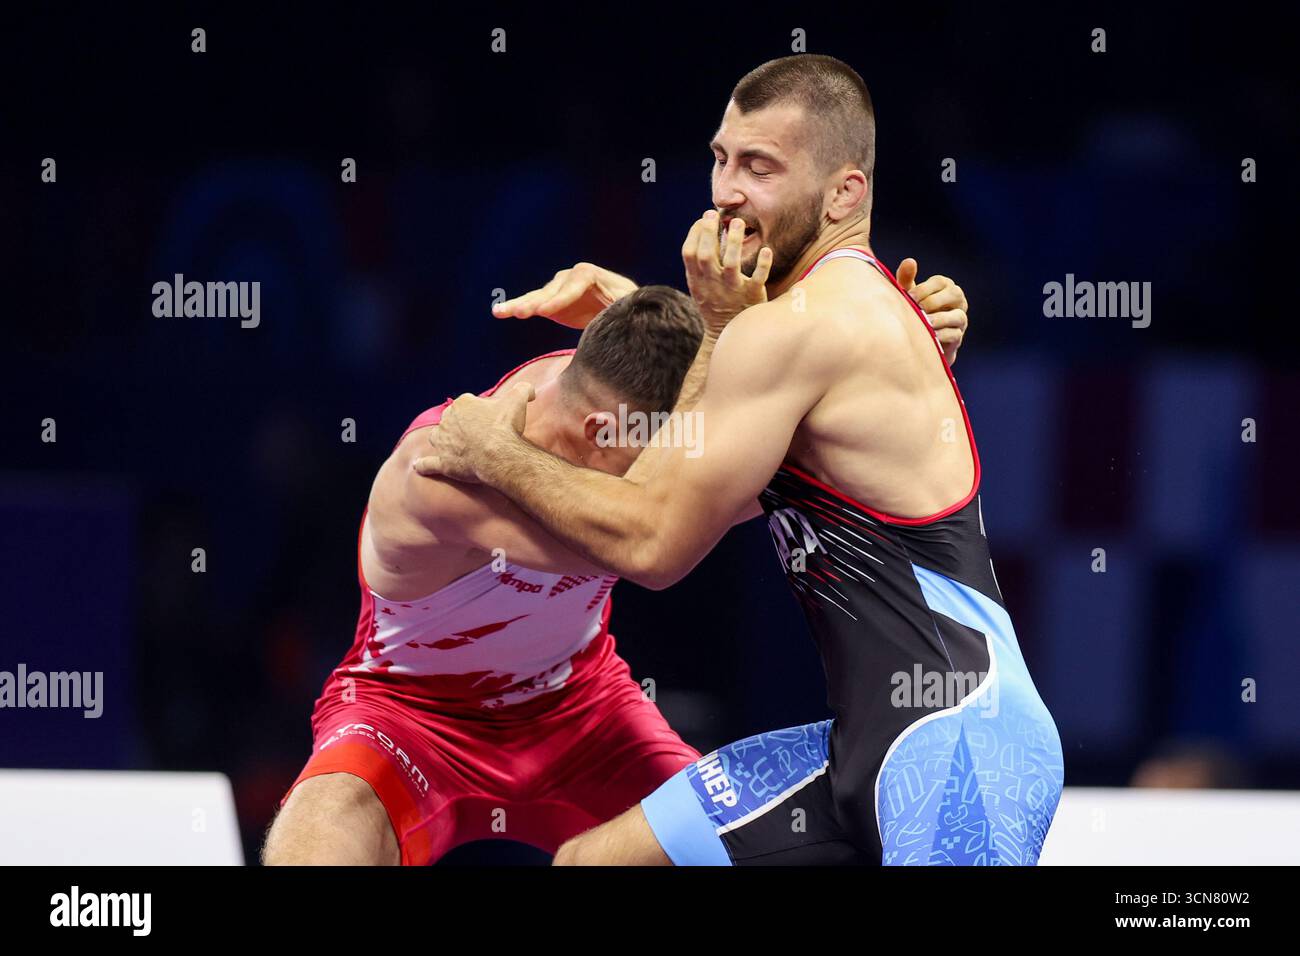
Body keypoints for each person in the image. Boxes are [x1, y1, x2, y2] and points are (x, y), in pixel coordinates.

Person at [413, 54, 1064, 865]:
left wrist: (493, 452)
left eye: (760, 167)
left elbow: (654, 540)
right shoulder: (816, 317)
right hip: (868, 745)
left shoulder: (800, 326)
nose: (725, 191)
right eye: (721, 158)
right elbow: (736, 422)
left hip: (959, 749)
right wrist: (643, 307)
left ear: (844, 195)